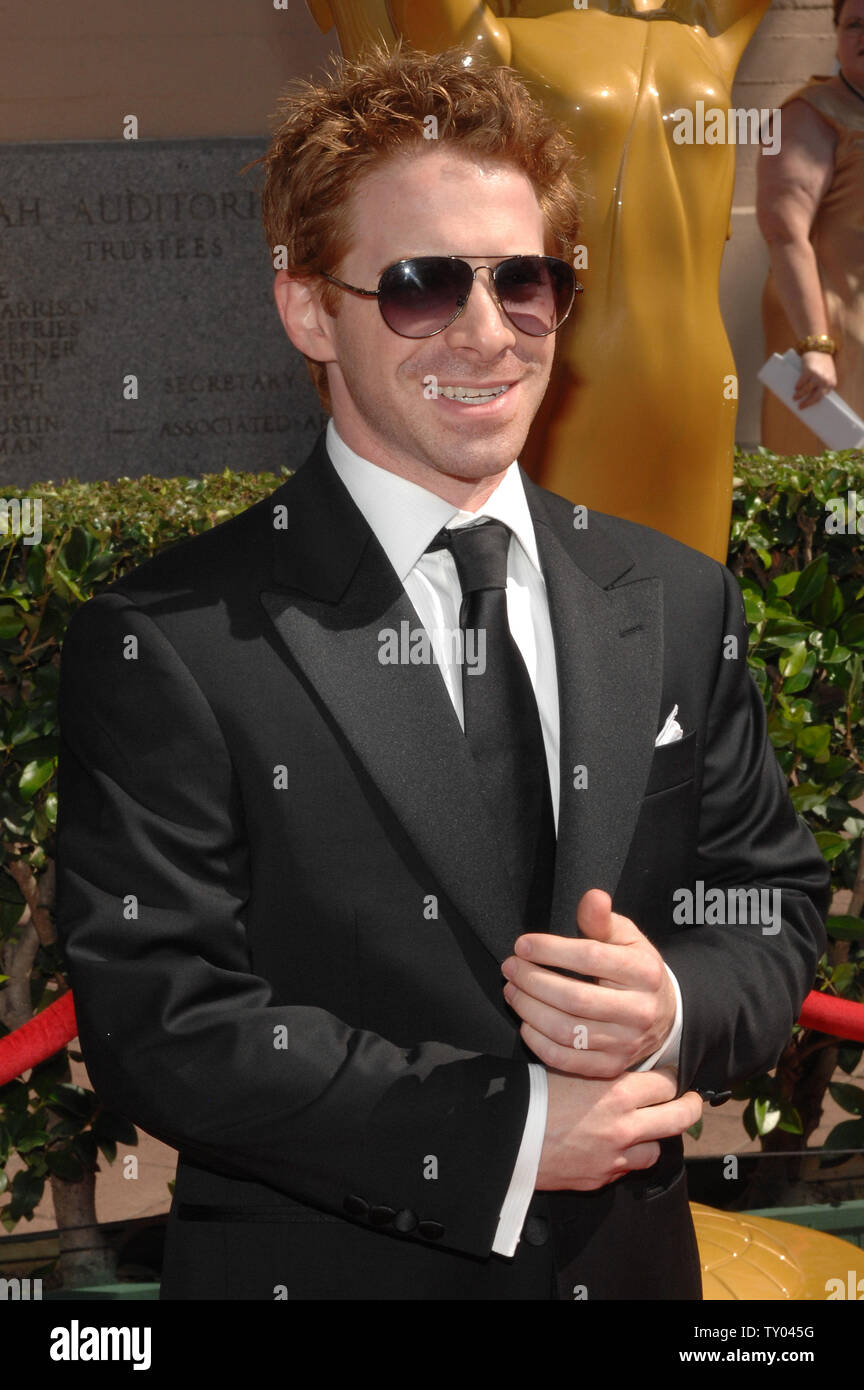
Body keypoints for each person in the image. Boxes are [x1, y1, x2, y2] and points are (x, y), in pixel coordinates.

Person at [55, 44, 830, 1301]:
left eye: (525, 282)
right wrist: (506, 1135)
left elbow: (772, 899)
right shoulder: (177, 639)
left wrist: (673, 1002)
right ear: (311, 309)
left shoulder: (678, 598)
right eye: (422, 286)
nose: (487, 331)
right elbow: (166, 1021)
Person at [758, 0, 864, 453]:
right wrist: (815, 346)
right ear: (837, 33)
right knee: (833, 494)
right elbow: (785, 233)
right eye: (856, 24)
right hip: (835, 334)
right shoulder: (809, 113)